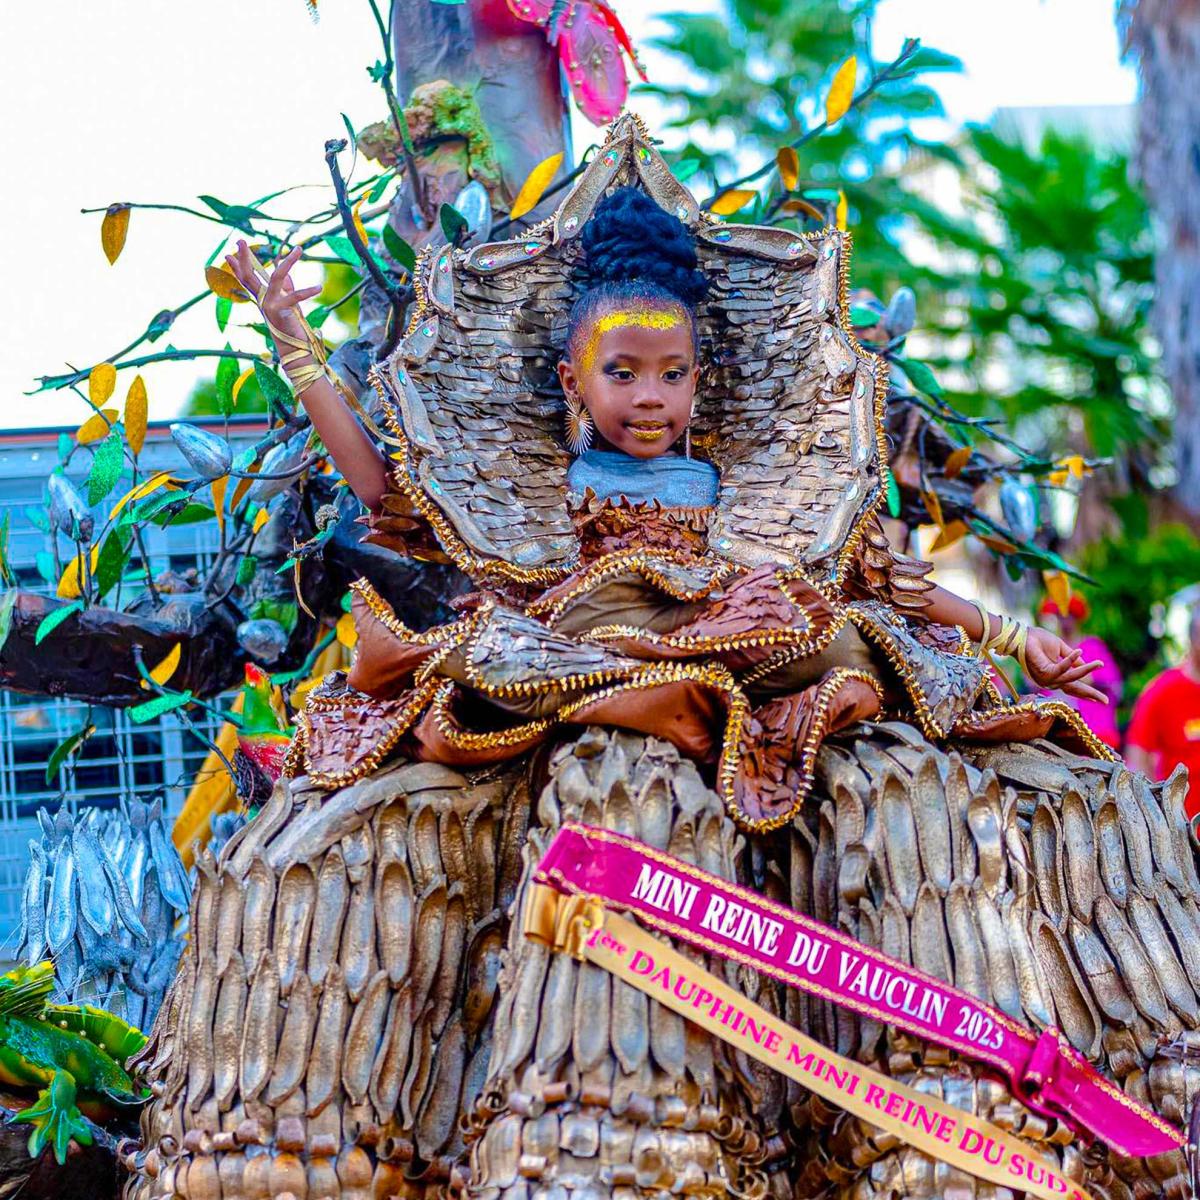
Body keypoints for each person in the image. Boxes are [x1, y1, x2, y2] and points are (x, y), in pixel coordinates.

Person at [1126, 603, 1200, 817]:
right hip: (1184, 828)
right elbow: (1137, 759)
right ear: (1192, 639)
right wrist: (1156, 815)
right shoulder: (1162, 691)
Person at [1036, 592, 1122, 749]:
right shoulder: (1050, 648)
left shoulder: (1093, 646)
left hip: (1095, 729)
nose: (1064, 620)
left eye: (1069, 614)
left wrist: (1088, 681)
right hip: (1058, 732)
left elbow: (1113, 685)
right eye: (1060, 615)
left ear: (1076, 618)